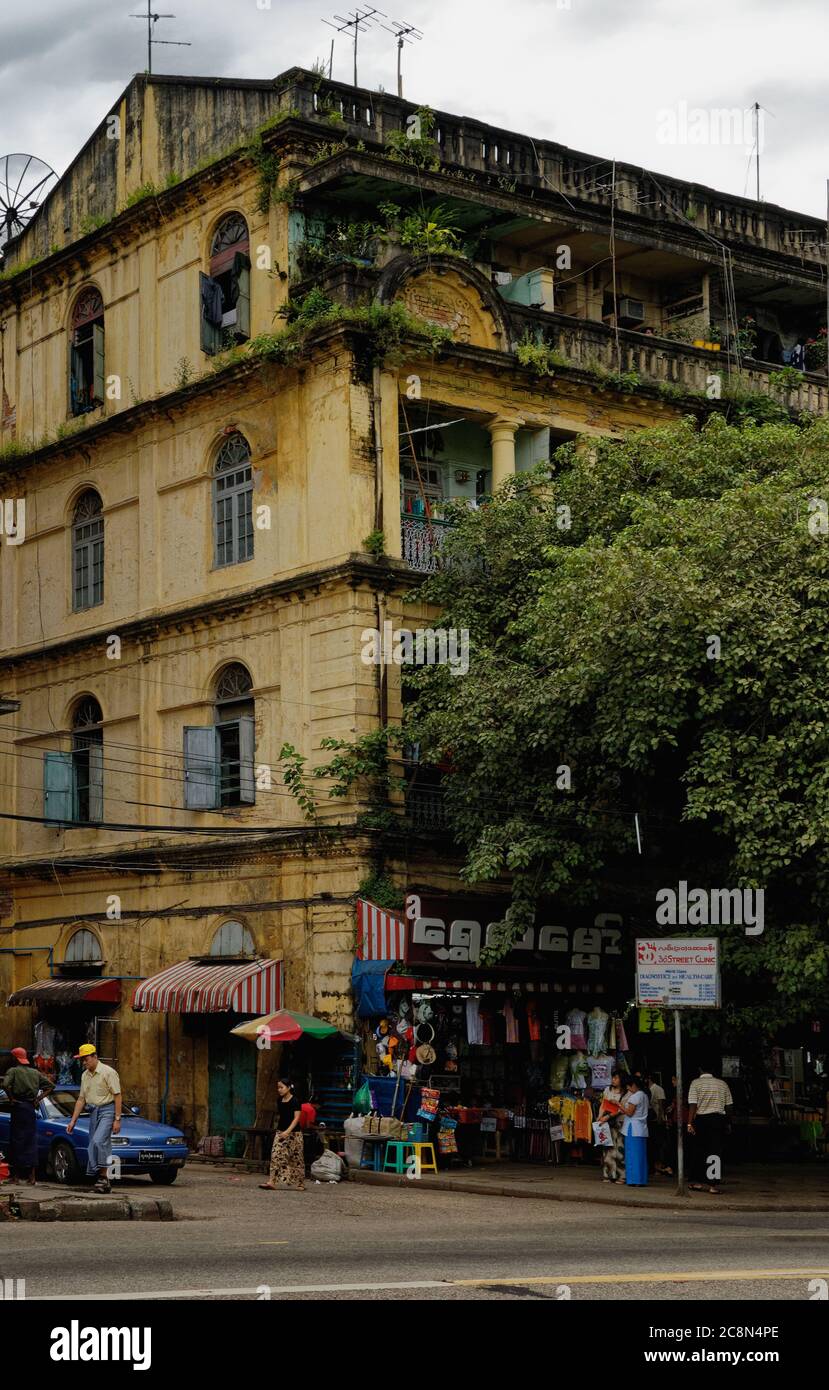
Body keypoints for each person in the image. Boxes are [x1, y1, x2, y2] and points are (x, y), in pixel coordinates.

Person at [66, 1043, 122, 1194]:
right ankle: (103, 1178)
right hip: (93, 1111)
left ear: (95, 1057)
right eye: (82, 1060)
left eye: (86, 1059)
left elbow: (117, 1095)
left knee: (99, 1141)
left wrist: (117, 1119)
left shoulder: (108, 1072)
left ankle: (104, 1176)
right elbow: (81, 1099)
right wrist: (73, 1121)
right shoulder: (85, 1075)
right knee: (94, 1143)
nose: (84, 1062)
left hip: (107, 1110)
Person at [1, 1047, 54, 1185]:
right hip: (30, 1109)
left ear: (15, 1058)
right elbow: (50, 1086)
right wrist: (38, 1099)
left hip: (18, 1108)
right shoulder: (35, 1073)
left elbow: (5, 1084)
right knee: (30, 1141)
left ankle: (16, 1177)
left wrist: (11, 1098)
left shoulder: (13, 1071)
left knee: (17, 1141)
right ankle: (32, 1177)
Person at [687, 1063, 733, 1195]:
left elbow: (693, 1105)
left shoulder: (695, 1083)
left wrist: (689, 1123)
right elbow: (729, 1106)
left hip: (701, 1120)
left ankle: (698, 1182)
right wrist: (728, 1122)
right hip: (718, 1120)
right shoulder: (722, 1084)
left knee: (699, 1151)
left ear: (700, 1069)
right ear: (713, 1070)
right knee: (715, 1152)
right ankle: (713, 1185)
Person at [260, 1078, 304, 1192]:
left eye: (281, 1087)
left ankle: (300, 1183)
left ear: (289, 1088)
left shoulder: (295, 1101)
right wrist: (281, 1131)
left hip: (294, 1134)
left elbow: (296, 1118)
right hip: (280, 1132)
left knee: (296, 1158)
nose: (279, 1090)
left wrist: (288, 1131)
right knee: (276, 1155)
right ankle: (272, 1181)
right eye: (278, 1087)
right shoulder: (279, 1100)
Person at [619, 1075, 649, 1186]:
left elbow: (629, 1113)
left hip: (633, 1128)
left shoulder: (635, 1096)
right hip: (641, 1128)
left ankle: (633, 1180)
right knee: (640, 1155)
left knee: (632, 1155)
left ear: (633, 1085)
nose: (628, 1089)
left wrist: (619, 1105)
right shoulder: (644, 1095)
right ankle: (641, 1179)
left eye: (628, 1086)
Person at [597, 1069, 625, 1183]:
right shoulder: (607, 1090)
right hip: (606, 1123)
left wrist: (607, 1117)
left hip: (619, 1123)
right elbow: (603, 1105)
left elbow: (620, 1109)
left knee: (619, 1149)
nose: (613, 1080)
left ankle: (621, 1176)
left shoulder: (624, 1093)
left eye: (616, 1078)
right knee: (607, 1149)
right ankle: (608, 1174)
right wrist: (599, 1117)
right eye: (613, 1078)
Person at [645, 1073, 670, 1175]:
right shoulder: (646, 1089)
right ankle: (653, 1167)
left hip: (657, 1120)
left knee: (657, 1144)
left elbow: (661, 1104)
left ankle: (658, 1166)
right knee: (651, 1144)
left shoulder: (658, 1089)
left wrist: (660, 1117)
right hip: (649, 1119)